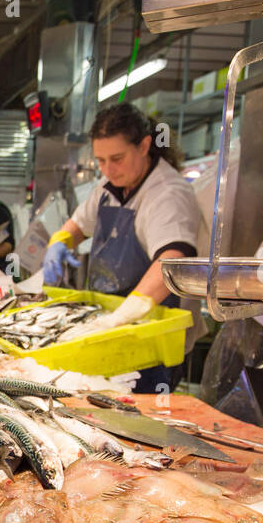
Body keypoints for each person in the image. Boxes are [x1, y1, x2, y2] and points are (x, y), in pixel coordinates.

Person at [42, 102, 203, 392]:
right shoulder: (109, 185)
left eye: (116, 158)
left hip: (150, 337)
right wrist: (59, 242)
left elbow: (173, 261)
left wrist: (122, 317)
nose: (108, 169)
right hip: (107, 330)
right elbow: (79, 224)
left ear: (144, 146)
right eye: (100, 160)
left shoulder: (167, 194)